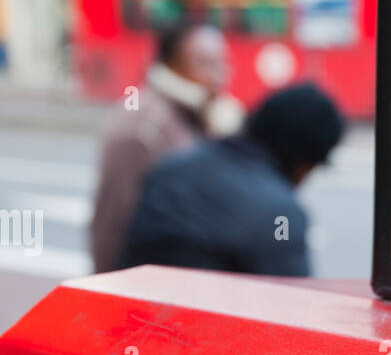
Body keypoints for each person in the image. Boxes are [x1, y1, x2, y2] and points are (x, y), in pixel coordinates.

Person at [119, 82, 345, 277]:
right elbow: (293, 305)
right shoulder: (281, 214)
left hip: (136, 319)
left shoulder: (172, 168)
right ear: (303, 161)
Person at [90, 22, 234, 273]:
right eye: (205, 63)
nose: (219, 75)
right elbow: (111, 228)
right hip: (151, 289)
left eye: (222, 63)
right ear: (172, 64)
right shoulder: (140, 128)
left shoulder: (207, 117)